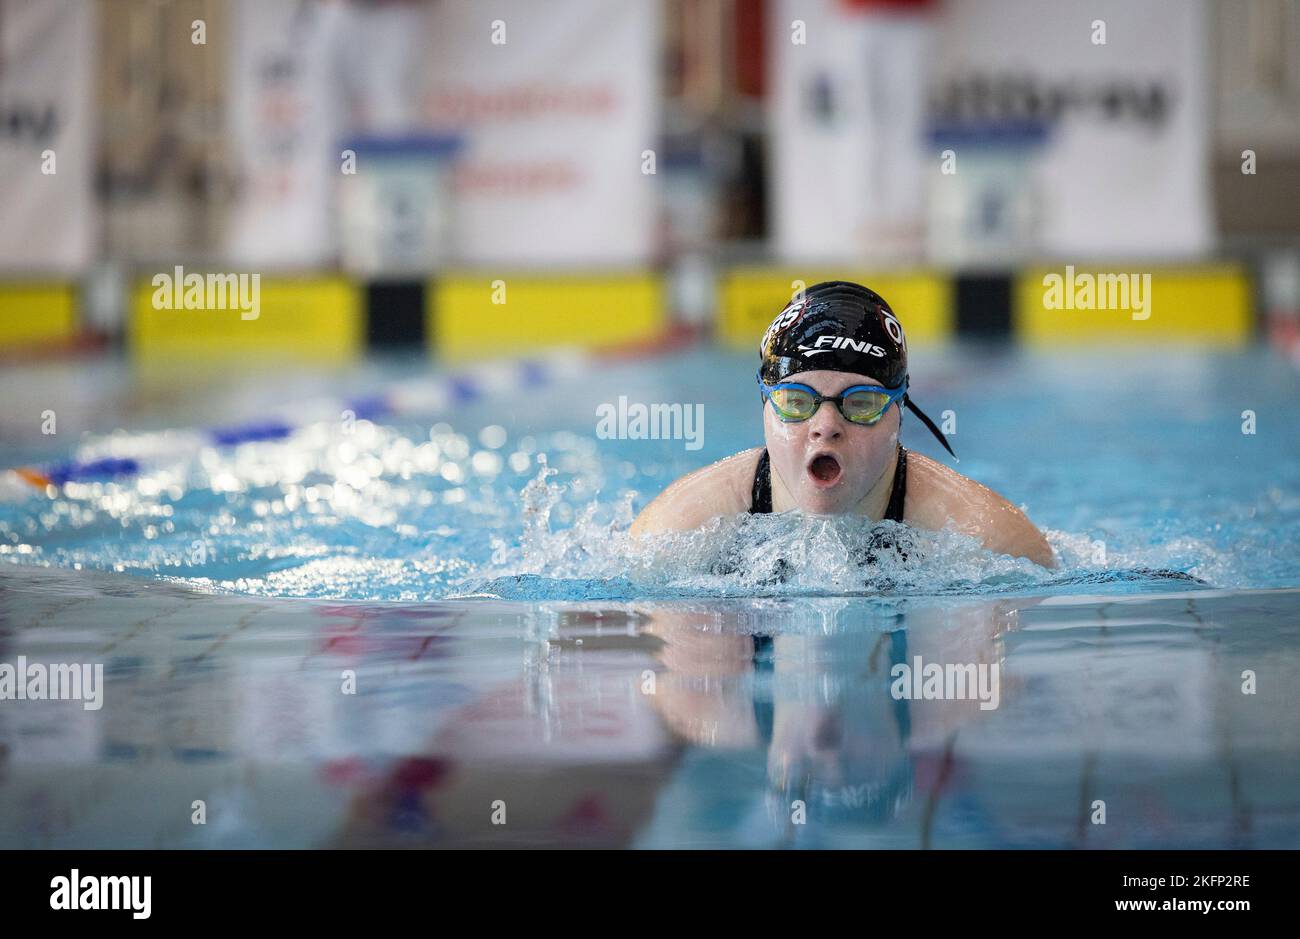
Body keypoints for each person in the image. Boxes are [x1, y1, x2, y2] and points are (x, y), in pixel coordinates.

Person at [630, 280, 1056, 568]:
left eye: (862, 402)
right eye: (797, 402)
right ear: (764, 403)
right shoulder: (677, 529)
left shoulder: (993, 541)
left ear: (899, 409)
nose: (825, 426)